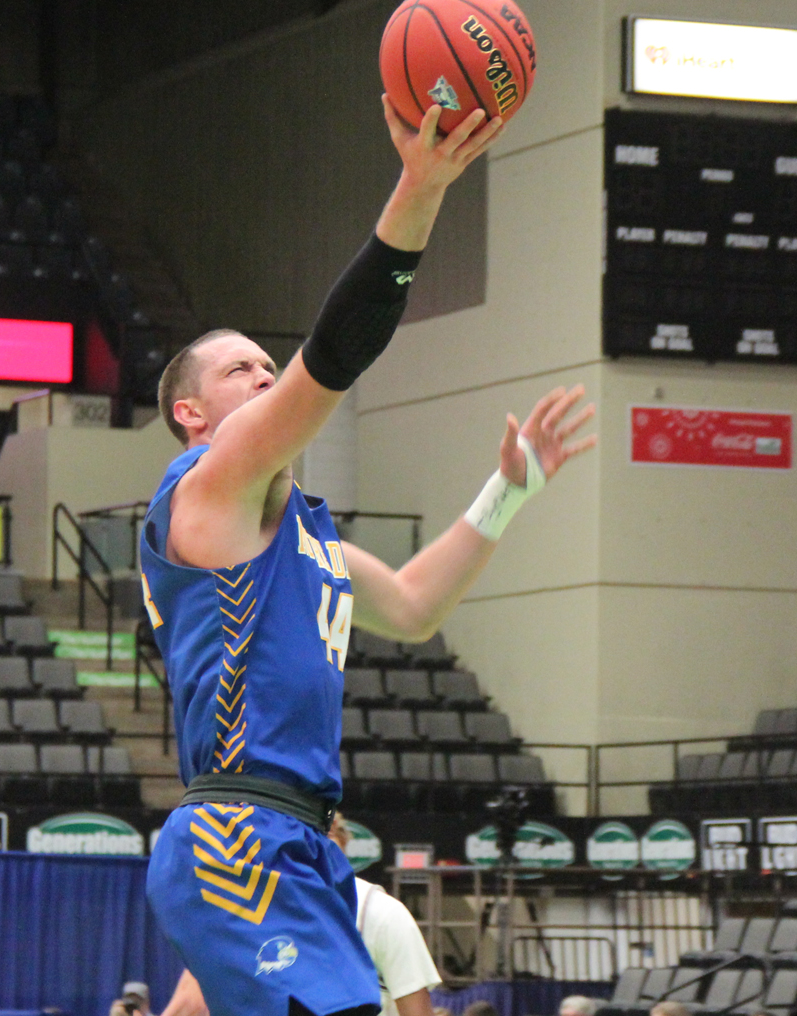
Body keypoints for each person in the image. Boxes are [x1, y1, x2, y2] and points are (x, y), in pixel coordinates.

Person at [139, 96, 593, 1016]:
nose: (266, 380)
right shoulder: (204, 489)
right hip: (238, 831)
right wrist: (418, 193)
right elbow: (333, 358)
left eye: (270, 370)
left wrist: (510, 490)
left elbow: (419, 606)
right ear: (190, 414)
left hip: (300, 843)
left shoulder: (304, 538)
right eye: (241, 373)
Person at [159, 810, 442, 1016]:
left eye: (321, 836)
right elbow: (193, 997)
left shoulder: (382, 915)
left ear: (341, 845)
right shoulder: (255, 912)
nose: (308, 846)